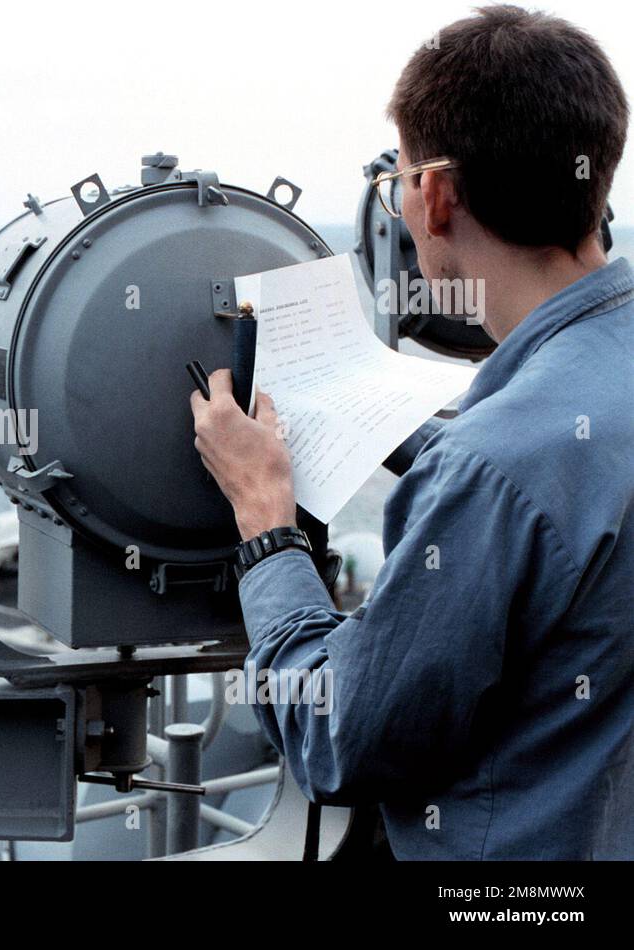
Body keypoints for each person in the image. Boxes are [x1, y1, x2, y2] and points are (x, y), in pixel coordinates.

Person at [189, 5, 633, 859]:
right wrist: (410, 435)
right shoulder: (522, 442)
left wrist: (264, 523)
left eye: (399, 181)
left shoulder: (492, 467)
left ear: (435, 197)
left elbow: (341, 743)